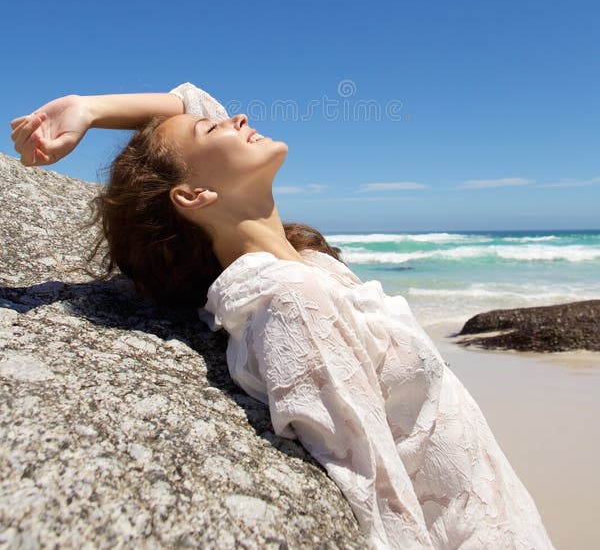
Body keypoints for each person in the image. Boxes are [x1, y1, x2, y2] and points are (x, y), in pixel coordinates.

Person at [10, 83, 555, 550]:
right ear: (195, 195)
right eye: (212, 129)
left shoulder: (308, 265)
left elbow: (188, 102)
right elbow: (374, 487)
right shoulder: (286, 297)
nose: (239, 117)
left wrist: (86, 108)